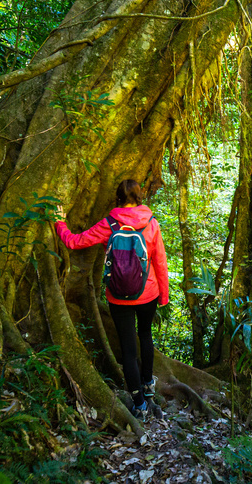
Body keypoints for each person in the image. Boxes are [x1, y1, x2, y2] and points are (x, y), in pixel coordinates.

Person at [53, 179, 169, 421]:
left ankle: (139, 404)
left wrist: (59, 222)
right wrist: (163, 296)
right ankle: (148, 386)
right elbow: (160, 262)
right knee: (146, 336)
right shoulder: (151, 223)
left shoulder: (110, 224)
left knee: (128, 349)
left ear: (117, 198)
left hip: (118, 297)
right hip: (148, 294)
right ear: (140, 197)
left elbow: (74, 241)